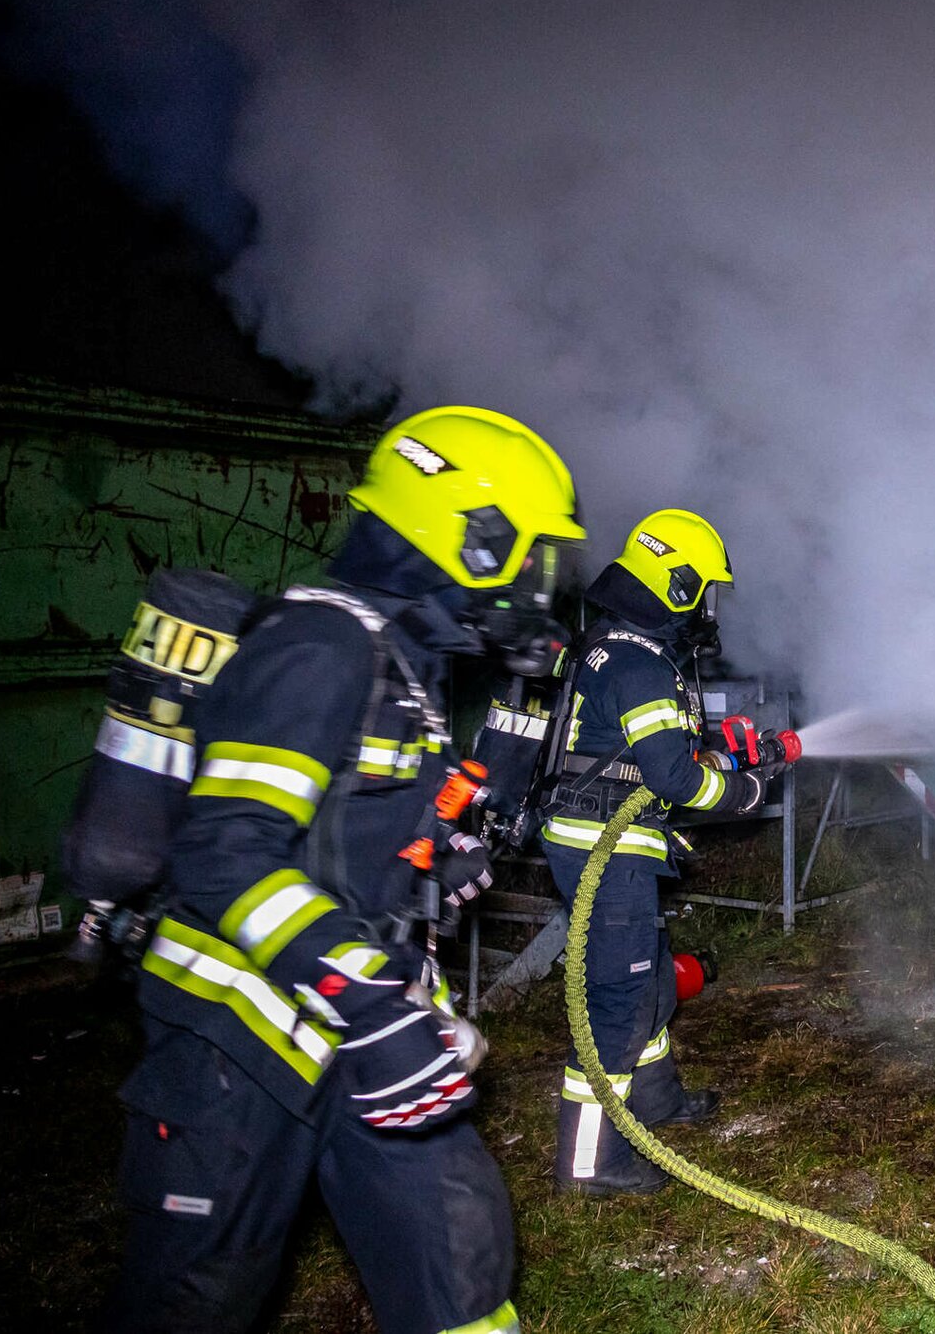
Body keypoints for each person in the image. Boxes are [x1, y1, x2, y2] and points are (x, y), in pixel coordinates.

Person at [103, 406, 585, 1334]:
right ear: (469, 540)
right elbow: (224, 852)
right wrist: (365, 1006)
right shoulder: (317, 648)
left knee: (460, 1267)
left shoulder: (400, 663)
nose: (536, 590)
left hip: (365, 1032)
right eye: (528, 560)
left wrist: (433, 864)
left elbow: (348, 828)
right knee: (195, 1302)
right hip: (238, 1042)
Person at [537, 509, 790, 1196]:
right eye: (702, 589)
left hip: (602, 844)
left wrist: (736, 756)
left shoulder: (613, 647)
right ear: (675, 582)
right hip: (605, 851)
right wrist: (740, 794)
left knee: (645, 983)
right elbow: (674, 779)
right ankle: (590, 1164)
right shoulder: (641, 664)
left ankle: (655, 1103)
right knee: (618, 1001)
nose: (708, 608)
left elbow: (644, 755)